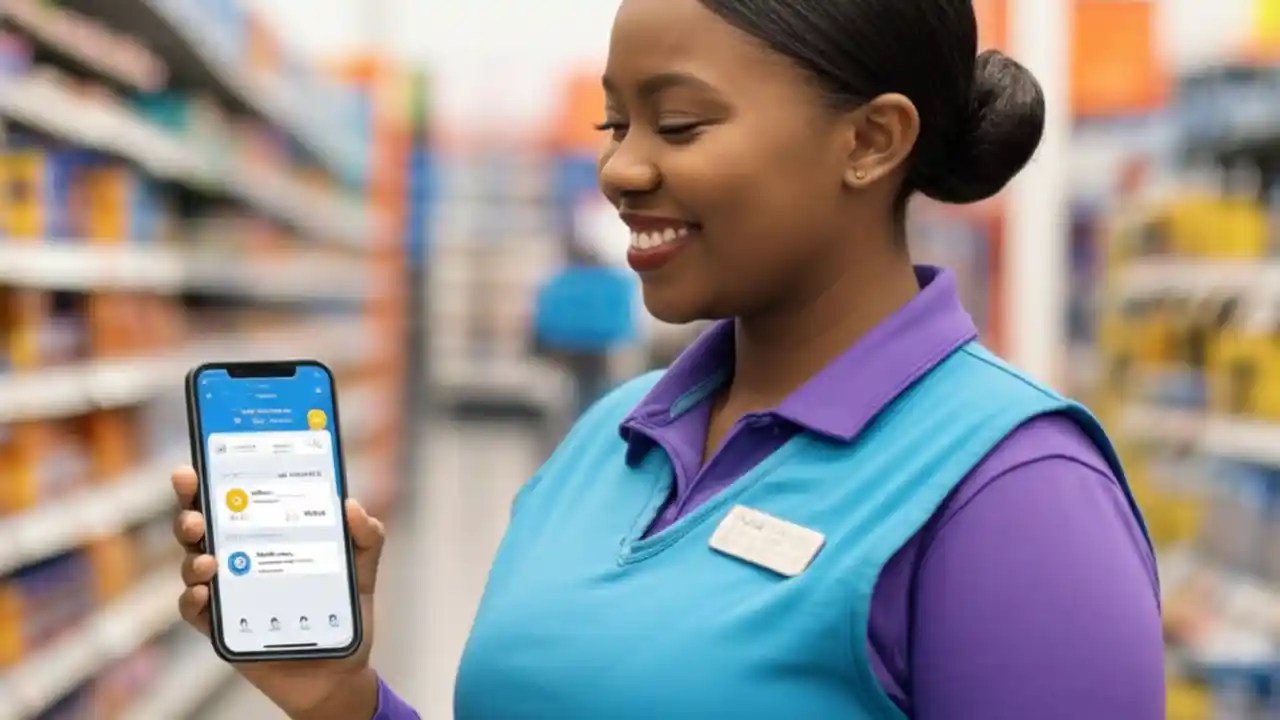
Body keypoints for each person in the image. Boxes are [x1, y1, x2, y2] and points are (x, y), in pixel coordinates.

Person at [170, 1, 1165, 718]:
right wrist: (344, 702)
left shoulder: (1012, 495)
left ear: (870, 140)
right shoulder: (612, 434)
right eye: (614, 123)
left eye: (678, 124)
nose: (618, 167)